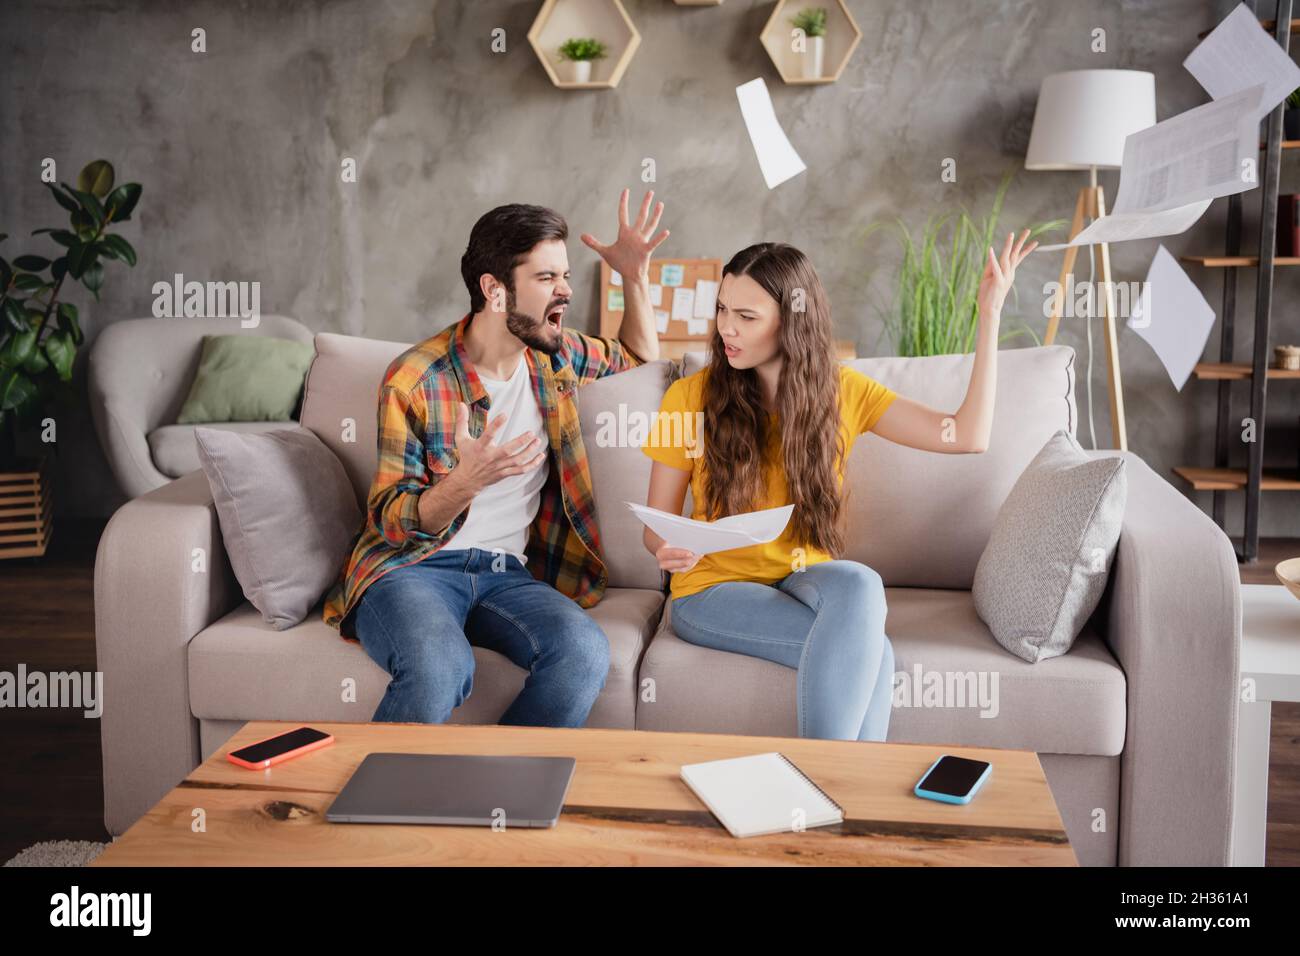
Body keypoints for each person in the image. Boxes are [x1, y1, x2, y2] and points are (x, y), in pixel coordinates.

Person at [640, 232, 1036, 742]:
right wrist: (667, 547)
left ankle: (824, 792)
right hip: (712, 591)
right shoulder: (688, 397)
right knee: (877, 653)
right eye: (722, 310)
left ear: (792, 321)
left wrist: (990, 316)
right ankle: (832, 792)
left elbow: (967, 435)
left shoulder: (843, 390)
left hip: (804, 581)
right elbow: (657, 524)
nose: (727, 329)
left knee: (861, 584)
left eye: (747, 316)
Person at [322, 189, 670, 727]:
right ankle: (381, 804)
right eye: (546, 278)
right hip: (411, 570)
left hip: (506, 576)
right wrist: (465, 482)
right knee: (439, 666)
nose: (565, 292)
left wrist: (632, 274)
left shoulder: (554, 356)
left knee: (583, 653)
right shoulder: (415, 378)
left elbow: (640, 359)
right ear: (494, 290)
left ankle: (496, 797)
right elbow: (393, 524)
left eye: (566, 276)